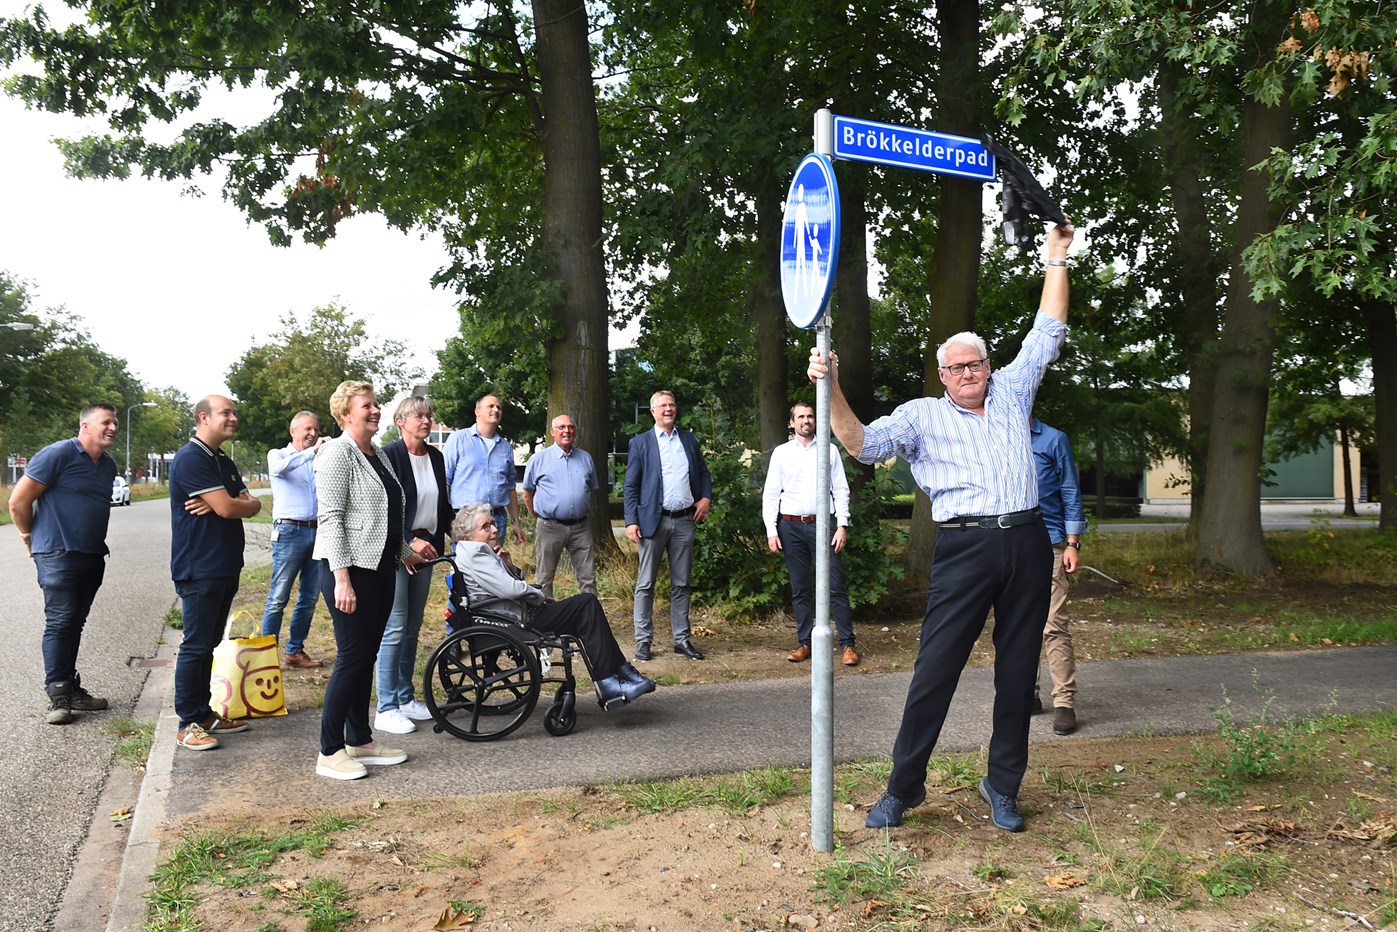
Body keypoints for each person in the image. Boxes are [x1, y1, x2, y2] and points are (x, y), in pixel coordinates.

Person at [808, 220, 1075, 832]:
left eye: (975, 362)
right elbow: (862, 445)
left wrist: (1056, 255)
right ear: (943, 375)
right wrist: (835, 386)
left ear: (987, 364)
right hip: (964, 548)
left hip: (1028, 541)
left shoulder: (1013, 391)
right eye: (955, 367)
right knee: (935, 672)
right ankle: (904, 788)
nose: (968, 373)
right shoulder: (922, 417)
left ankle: (1001, 785)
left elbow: (1048, 327)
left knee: (1017, 675)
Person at [312, 381, 424, 780]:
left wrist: (403, 552)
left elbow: (387, 515)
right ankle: (329, 750)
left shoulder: (377, 454)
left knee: (366, 658)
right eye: (367, 406)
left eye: (376, 404)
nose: (375, 410)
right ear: (345, 414)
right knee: (351, 658)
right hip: (349, 570)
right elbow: (332, 519)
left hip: (381, 567)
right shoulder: (336, 454)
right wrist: (342, 579)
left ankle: (359, 738)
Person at [451, 502, 654, 708]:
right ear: (466, 535)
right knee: (587, 605)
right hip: (514, 620)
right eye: (485, 526)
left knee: (587, 610)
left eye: (493, 524)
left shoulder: (474, 551)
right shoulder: (476, 553)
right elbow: (510, 590)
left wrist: (510, 566)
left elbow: (503, 586)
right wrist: (538, 595)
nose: (494, 529)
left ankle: (619, 673)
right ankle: (611, 679)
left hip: (510, 613)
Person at [8, 403, 120, 724]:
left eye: (115, 422)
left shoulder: (108, 466)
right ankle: (58, 696)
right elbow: (18, 501)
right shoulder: (57, 454)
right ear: (85, 426)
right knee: (60, 621)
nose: (113, 427)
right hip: (57, 553)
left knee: (74, 623)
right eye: (106, 422)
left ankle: (70, 688)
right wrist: (29, 535)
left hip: (92, 554)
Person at [169, 395, 263, 751]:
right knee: (195, 644)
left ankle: (205, 714)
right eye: (226, 412)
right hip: (200, 567)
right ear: (203, 417)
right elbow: (227, 507)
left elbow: (249, 503)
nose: (234, 417)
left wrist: (239, 504)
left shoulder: (221, 459)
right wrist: (229, 503)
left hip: (223, 564)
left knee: (209, 642)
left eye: (235, 412)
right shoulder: (192, 458)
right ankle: (187, 723)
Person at [374, 396, 453, 735]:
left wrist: (461, 535)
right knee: (394, 626)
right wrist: (407, 541)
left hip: (428, 548)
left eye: (428, 416)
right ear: (401, 421)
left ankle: (405, 697)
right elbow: (383, 507)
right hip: (397, 549)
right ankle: (386, 705)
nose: (426, 421)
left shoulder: (436, 457)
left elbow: (442, 505)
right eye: (419, 416)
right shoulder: (389, 455)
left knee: (413, 626)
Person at [761, 401, 859, 667]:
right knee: (801, 588)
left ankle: (848, 645)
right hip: (790, 527)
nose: (806, 420)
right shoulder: (781, 454)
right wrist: (772, 529)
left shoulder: (829, 451)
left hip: (824, 525)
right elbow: (771, 493)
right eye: (801, 417)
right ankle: (805, 643)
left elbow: (841, 490)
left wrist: (842, 524)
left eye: (810, 416)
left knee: (835, 586)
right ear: (791, 423)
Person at [623, 390, 713, 662]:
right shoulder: (641, 443)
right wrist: (630, 521)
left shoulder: (688, 439)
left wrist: (706, 498)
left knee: (682, 583)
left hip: (685, 520)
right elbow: (631, 485)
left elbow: (704, 473)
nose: (668, 409)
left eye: (672, 404)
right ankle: (643, 641)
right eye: (662, 405)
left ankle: (682, 639)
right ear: (652, 411)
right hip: (653, 521)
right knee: (646, 584)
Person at [1030, 416, 1086, 736]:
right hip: (1010, 547)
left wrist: (1072, 543)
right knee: (1018, 625)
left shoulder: (1053, 439)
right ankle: (1029, 693)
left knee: (1053, 624)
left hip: (1049, 543)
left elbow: (1070, 491)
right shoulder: (995, 436)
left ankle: (1064, 701)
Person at [260, 410, 327, 669]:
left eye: (316, 430)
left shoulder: (317, 459)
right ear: (293, 431)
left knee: (310, 596)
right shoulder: (278, 455)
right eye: (307, 429)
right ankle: (265, 656)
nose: (312, 434)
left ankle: (295, 651)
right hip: (289, 532)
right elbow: (279, 469)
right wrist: (312, 453)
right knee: (279, 596)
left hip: (316, 530)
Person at [522, 414, 600, 598]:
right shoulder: (538, 459)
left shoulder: (585, 458)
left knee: (588, 578)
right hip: (549, 526)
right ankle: (547, 622)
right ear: (552, 432)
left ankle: (588, 620)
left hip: (581, 527)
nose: (567, 431)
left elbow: (590, 489)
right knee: (544, 579)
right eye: (562, 427)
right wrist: (540, 519)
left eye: (571, 427)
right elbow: (527, 495)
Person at [443, 393, 524, 545]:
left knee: (493, 564)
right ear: (477, 411)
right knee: (465, 566)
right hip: (466, 520)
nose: (496, 410)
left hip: (496, 519)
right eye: (491, 406)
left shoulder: (505, 448)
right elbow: (445, 480)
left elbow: (510, 487)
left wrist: (515, 522)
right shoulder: (458, 439)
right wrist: (443, 519)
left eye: (499, 407)